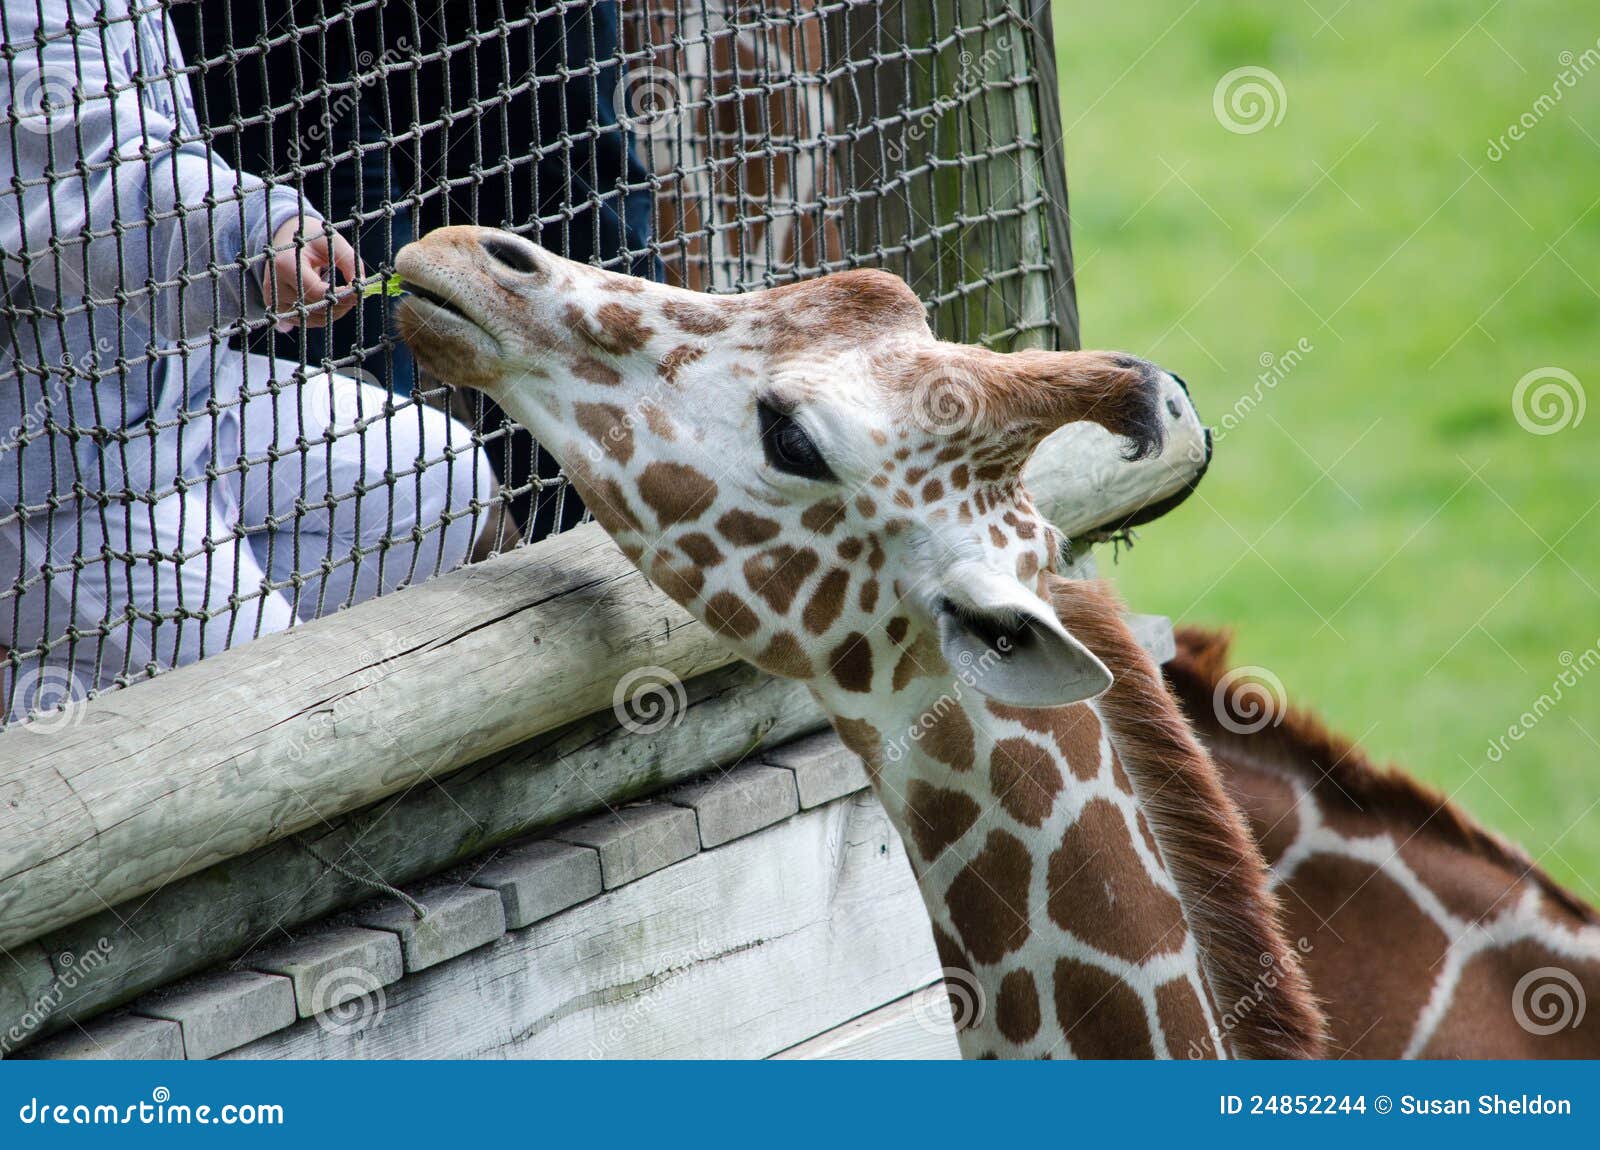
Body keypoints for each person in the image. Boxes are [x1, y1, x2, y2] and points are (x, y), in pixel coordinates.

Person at [0, 0, 494, 719]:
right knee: (283, 698)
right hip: (45, 466)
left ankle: (108, 681)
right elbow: (91, 182)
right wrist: (257, 237)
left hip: (183, 396)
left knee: (442, 479)